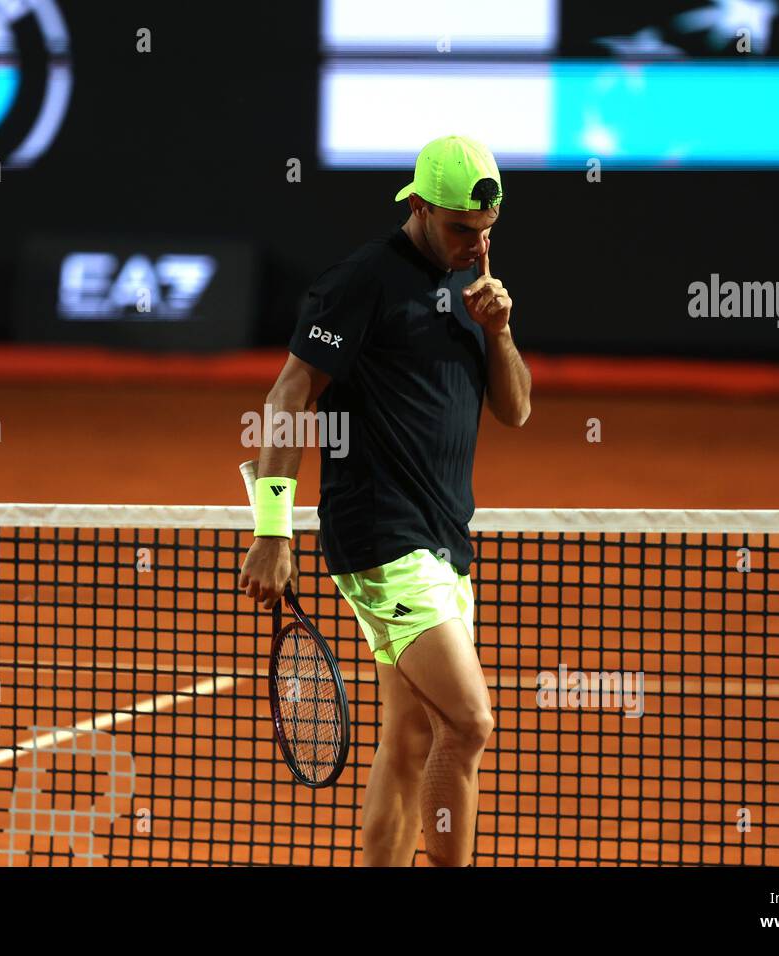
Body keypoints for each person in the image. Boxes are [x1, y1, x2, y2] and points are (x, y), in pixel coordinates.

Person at [240, 135, 532, 866]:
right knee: (468, 724)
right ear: (422, 206)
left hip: (444, 542)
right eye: (462, 229)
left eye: (487, 232)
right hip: (382, 538)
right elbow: (289, 394)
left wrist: (498, 331)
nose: (476, 244)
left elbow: (516, 409)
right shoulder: (361, 280)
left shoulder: (477, 288)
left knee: (410, 739)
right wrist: (273, 531)